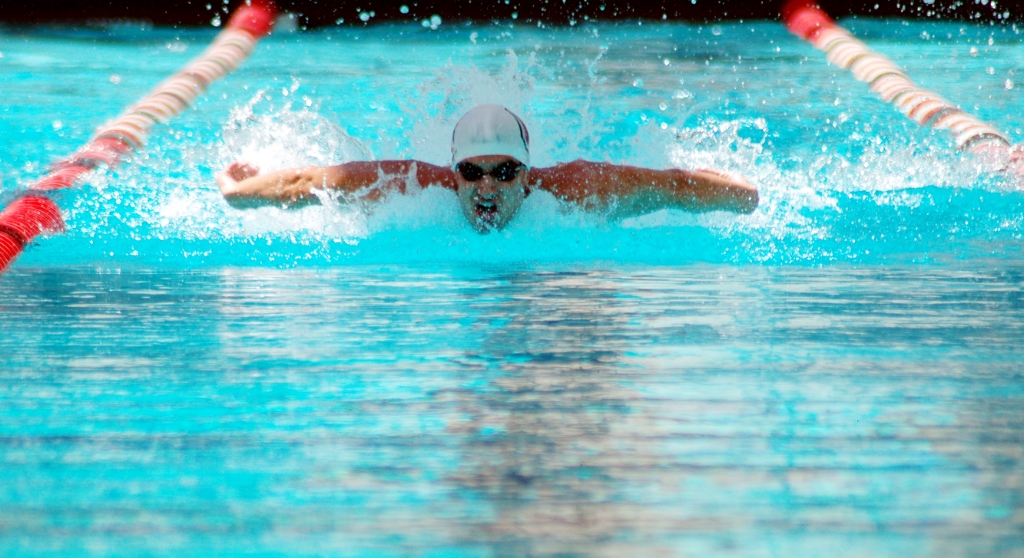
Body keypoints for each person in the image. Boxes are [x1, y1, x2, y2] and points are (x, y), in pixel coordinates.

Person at [216, 104, 758, 233]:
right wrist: (239, 191)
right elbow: (308, 181)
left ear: (528, 173)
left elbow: (671, 187)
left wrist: (740, 192)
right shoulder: (411, 185)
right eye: (471, 173)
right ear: (451, 173)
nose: (485, 189)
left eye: (503, 173)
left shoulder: (576, 190)